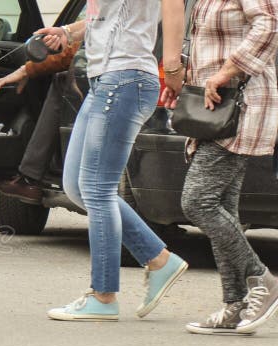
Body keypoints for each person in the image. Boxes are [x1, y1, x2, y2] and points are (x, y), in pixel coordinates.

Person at [38, 0, 189, 322]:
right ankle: (159, 259)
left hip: (125, 78)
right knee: (77, 187)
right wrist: (66, 31)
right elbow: (103, 16)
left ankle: (103, 296)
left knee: (96, 187)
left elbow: (173, 3)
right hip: (103, 81)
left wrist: (173, 64)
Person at [166, 0, 278, 335]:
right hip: (214, 110)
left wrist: (228, 71)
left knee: (197, 201)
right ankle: (235, 304)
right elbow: (213, 42)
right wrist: (188, 75)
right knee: (223, 207)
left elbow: (270, 25)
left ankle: (262, 279)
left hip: (241, 107)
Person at [0, 42, 84, 204]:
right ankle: (30, 176)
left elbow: (75, 48)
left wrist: (27, 69)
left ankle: (30, 177)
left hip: (112, 86)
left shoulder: (107, 19)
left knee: (61, 80)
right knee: (95, 191)